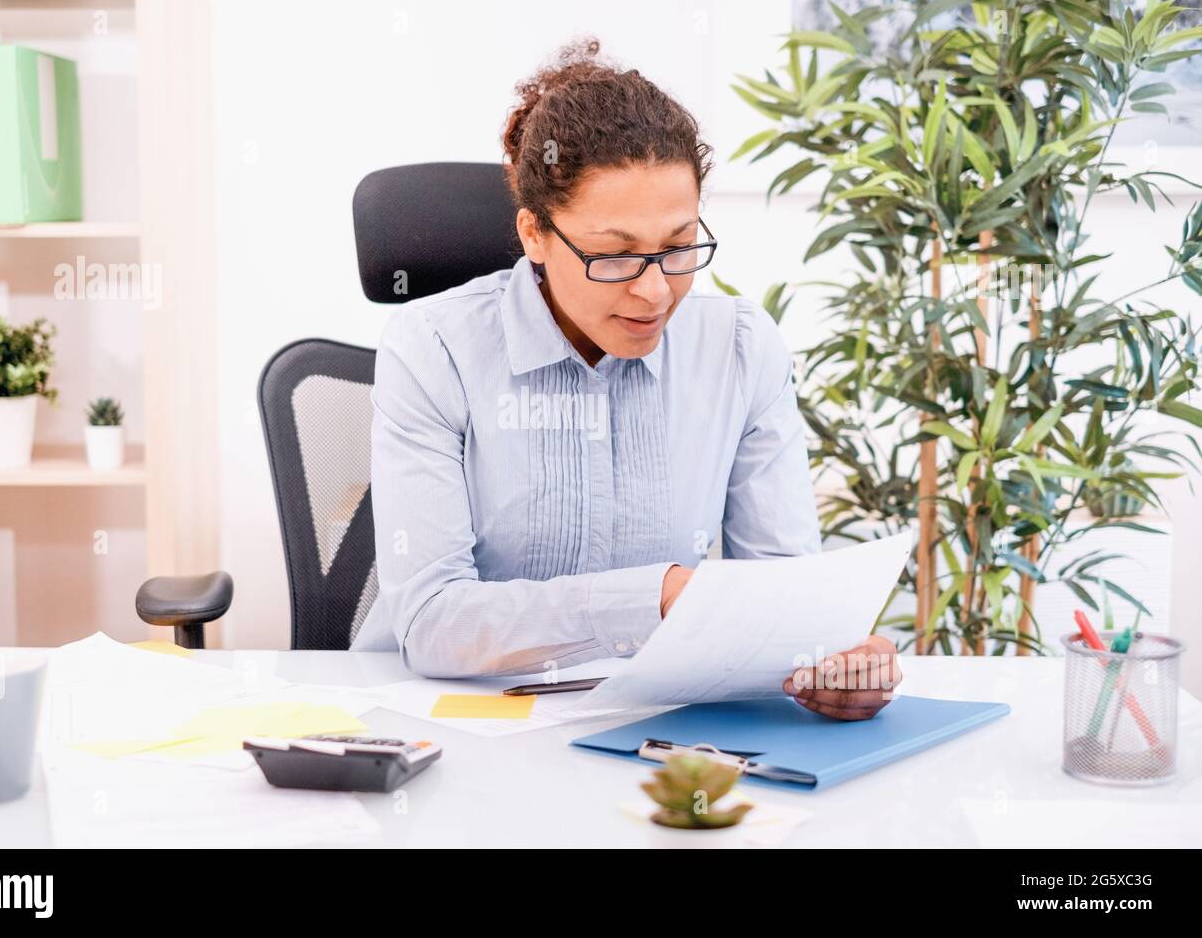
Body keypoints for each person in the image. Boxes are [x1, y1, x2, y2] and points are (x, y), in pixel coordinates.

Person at [351, 40, 900, 719]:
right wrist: (658, 596)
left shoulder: (740, 348)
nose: (654, 293)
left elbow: (780, 592)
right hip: (445, 718)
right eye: (614, 256)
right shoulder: (433, 348)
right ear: (534, 234)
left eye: (677, 248)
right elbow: (433, 622)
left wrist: (825, 661)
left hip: (649, 723)